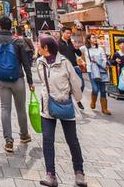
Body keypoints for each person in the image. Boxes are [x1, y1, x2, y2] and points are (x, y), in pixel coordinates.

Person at [36, 35, 86, 187]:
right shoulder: (40, 62)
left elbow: (76, 83)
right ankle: (50, 174)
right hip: (47, 107)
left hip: (65, 104)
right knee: (47, 140)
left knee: (72, 140)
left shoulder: (64, 63)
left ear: (46, 48)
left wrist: (75, 100)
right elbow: (43, 83)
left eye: (40, 45)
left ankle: (79, 172)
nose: (38, 47)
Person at [0, 16, 34, 153]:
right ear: (10, 26)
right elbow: (26, 63)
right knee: (21, 109)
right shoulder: (18, 41)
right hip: (18, 78)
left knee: (5, 109)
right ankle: (24, 135)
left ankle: (8, 141)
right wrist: (30, 81)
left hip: (2, 79)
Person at [81, 34, 110, 115]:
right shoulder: (85, 48)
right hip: (91, 71)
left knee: (103, 89)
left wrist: (104, 64)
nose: (95, 39)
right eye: (93, 38)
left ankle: (104, 108)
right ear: (89, 40)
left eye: (95, 38)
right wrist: (82, 61)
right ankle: (93, 102)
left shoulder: (100, 49)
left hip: (101, 71)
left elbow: (104, 59)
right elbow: (76, 53)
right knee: (95, 89)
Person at [58, 26, 84, 110]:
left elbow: (79, 54)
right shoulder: (58, 43)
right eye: (67, 33)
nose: (69, 35)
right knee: (67, 87)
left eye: (70, 33)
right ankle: (72, 101)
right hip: (64, 68)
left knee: (81, 84)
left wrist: (76, 48)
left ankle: (77, 99)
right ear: (62, 33)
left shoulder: (71, 43)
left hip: (75, 66)